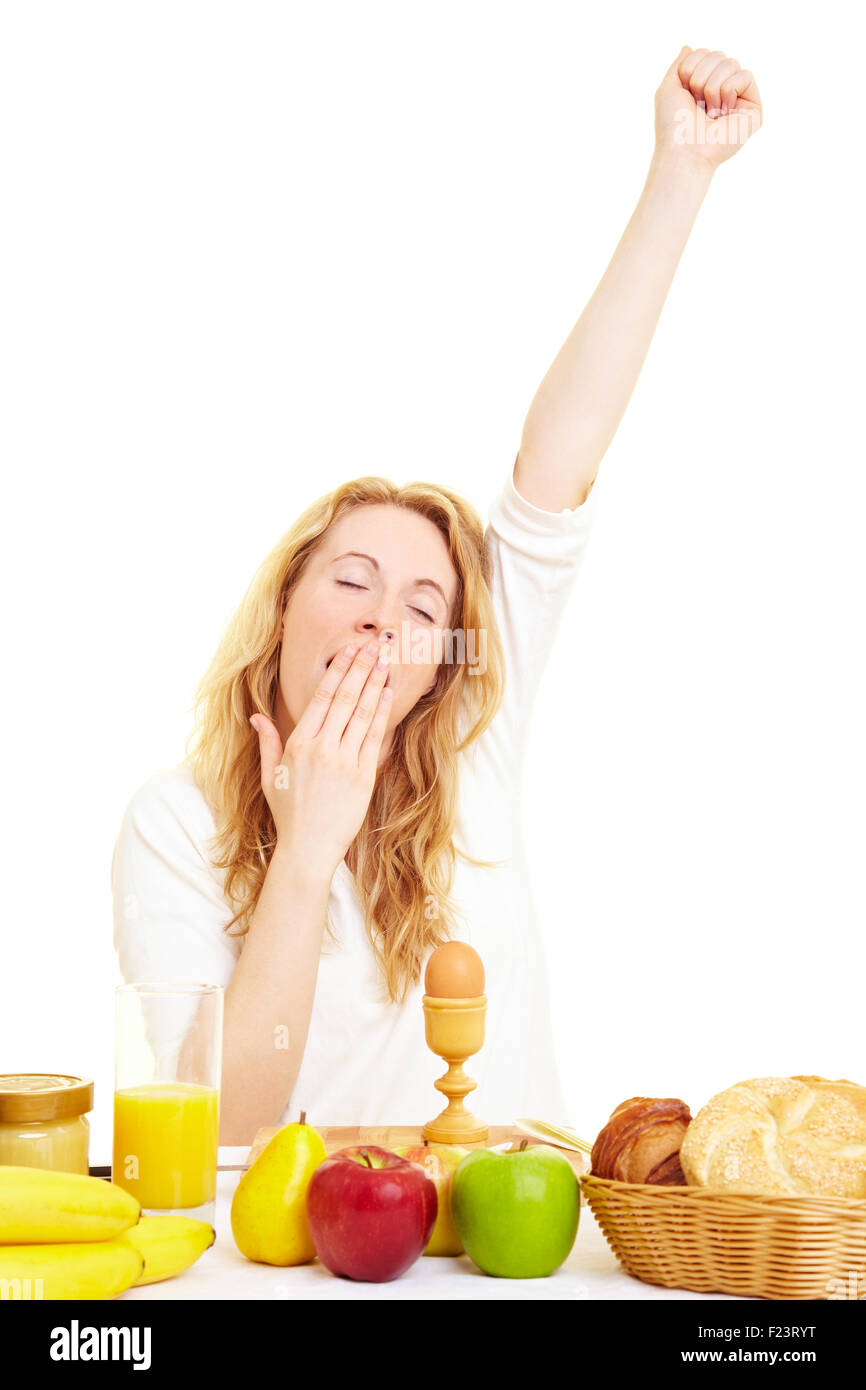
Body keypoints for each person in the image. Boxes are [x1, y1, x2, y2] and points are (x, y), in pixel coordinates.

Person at [112, 47, 762, 1144]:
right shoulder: (174, 823)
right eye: (353, 581)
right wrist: (306, 851)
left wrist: (679, 172)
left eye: (422, 607)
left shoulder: (472, 739)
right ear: (282, 610)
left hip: (519, 1255)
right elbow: (221, 1131)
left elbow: (556, 462)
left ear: (444, 657)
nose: (383, 618)